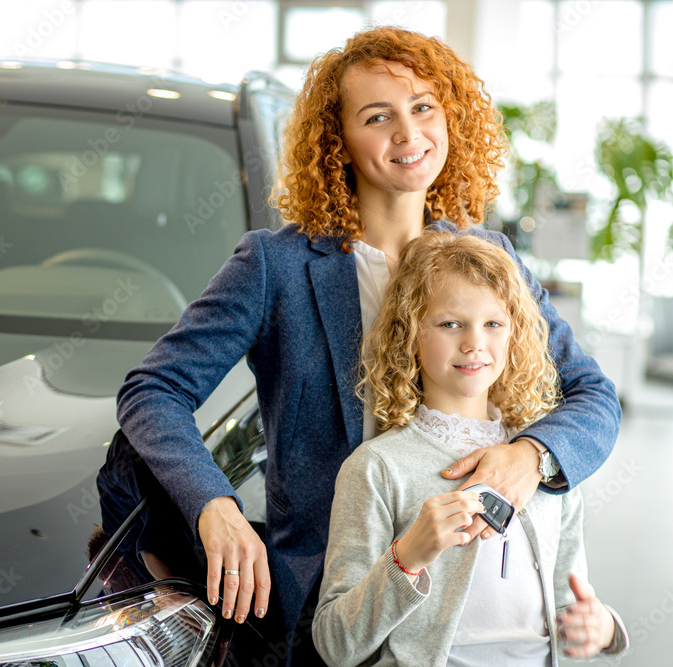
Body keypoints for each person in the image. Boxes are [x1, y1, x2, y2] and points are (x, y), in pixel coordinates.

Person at [115, 26, 621, 665]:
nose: (409, 134)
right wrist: (214, 505)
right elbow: (153, 390)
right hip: (331, 608)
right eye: (378, 117)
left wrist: (532, 455)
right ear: (339, 140)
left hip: (470, 607)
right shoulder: (276, 267)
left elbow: (593, 396)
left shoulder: (488, 258)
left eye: (423, 108)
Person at [313, 232, 629, 666]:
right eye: (450, 324)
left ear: (515, 334)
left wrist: (603, 627)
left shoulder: (548, 465)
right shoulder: (376, 468)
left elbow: (568, 608)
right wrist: (405, 560)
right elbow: (335, 645)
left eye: (493, 324)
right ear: (409, 334)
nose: (474, 343)